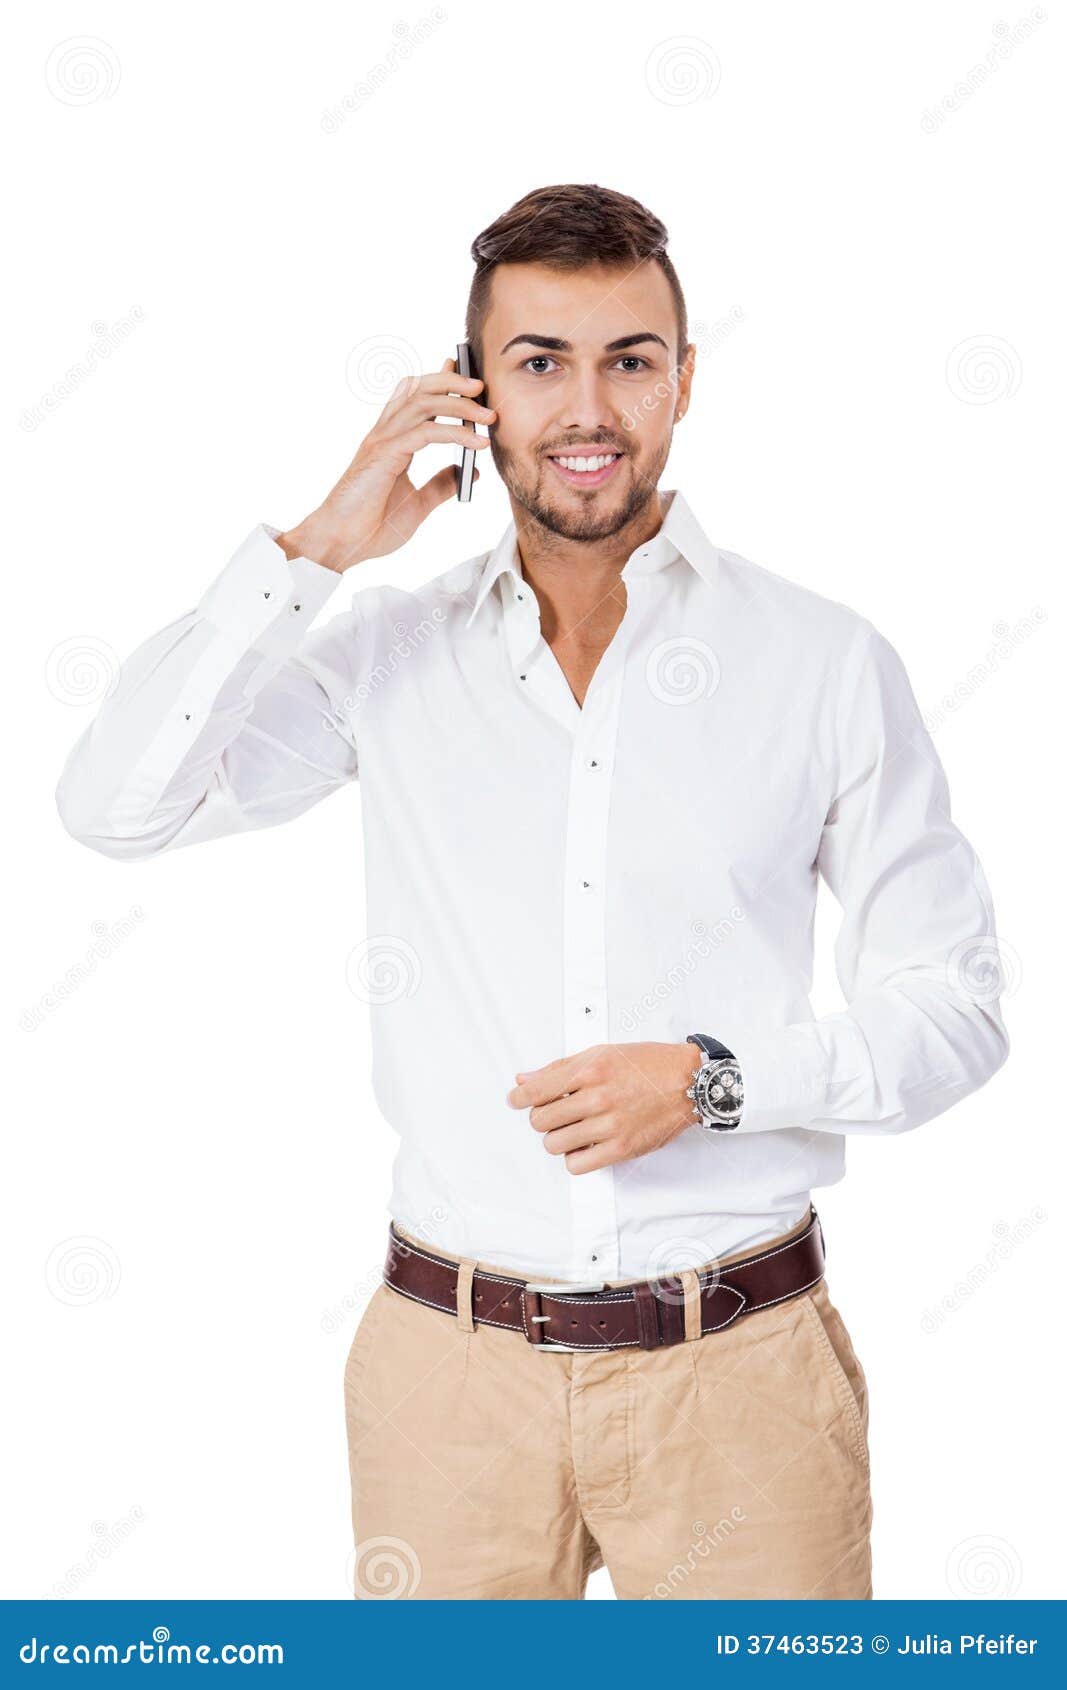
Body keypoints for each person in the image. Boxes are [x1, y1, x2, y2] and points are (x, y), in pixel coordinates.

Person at [56, 183, 1009, 1600]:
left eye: (630, 359)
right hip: (451, 1385)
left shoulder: (820, 661)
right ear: (472, 393)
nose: (588, 408)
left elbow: (957, 1007)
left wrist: (710, 1084)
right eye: (539, 361)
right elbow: (114, 805)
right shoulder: (384, 654)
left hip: (740, 1380)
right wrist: (316, 548)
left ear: (685, 382)